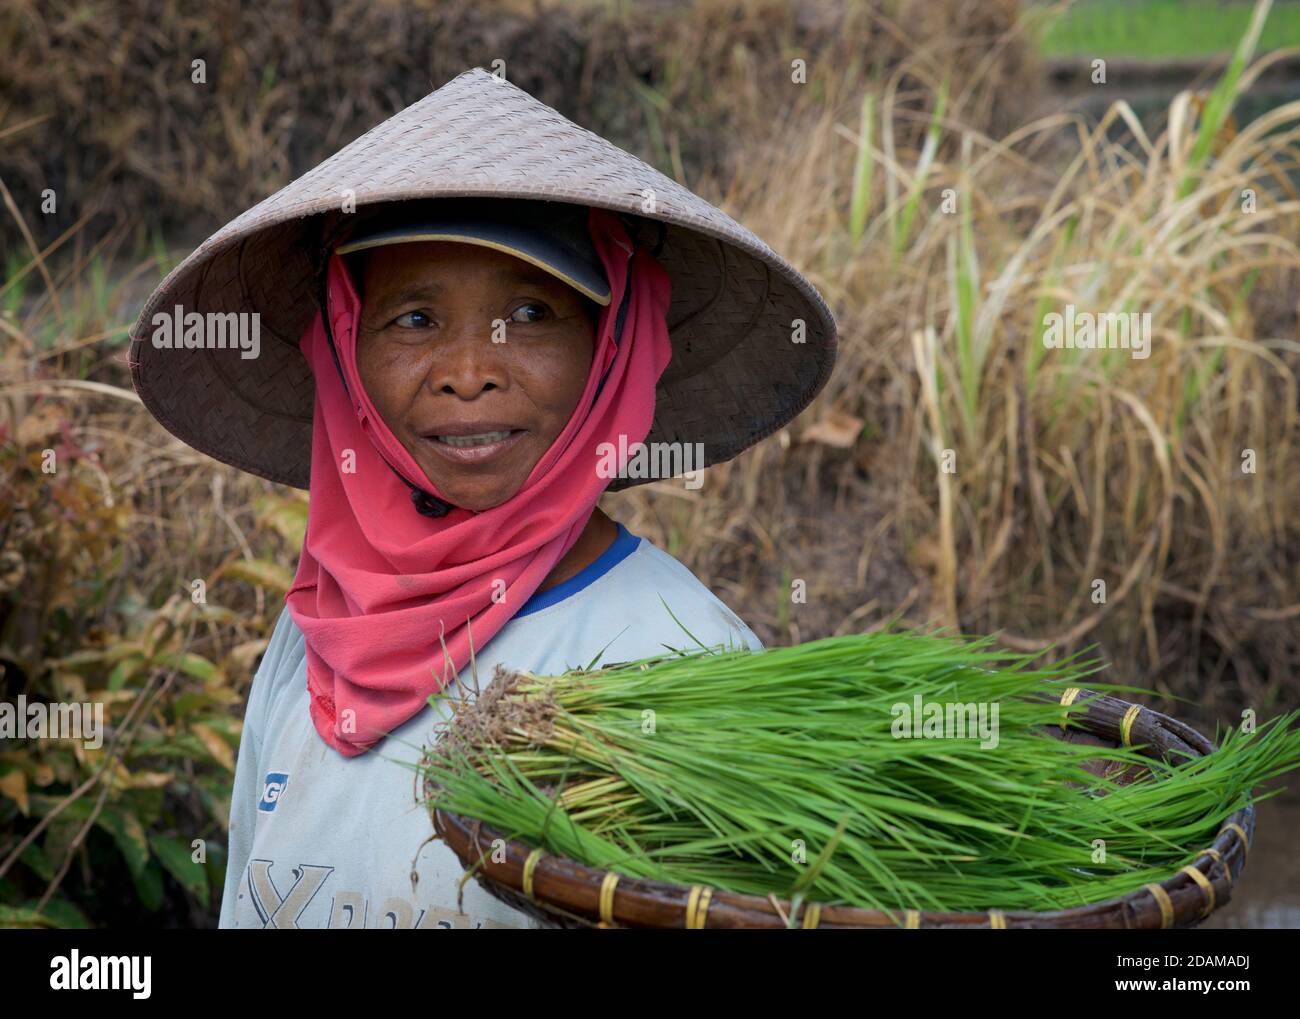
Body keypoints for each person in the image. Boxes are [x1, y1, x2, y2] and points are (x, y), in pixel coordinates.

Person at [129, 68, 837, 928]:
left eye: (533, 312)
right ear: (346, 348)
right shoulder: (314, 637)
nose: (470, 373)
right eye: (414, 319)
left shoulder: (682, 659)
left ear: (611, 349)